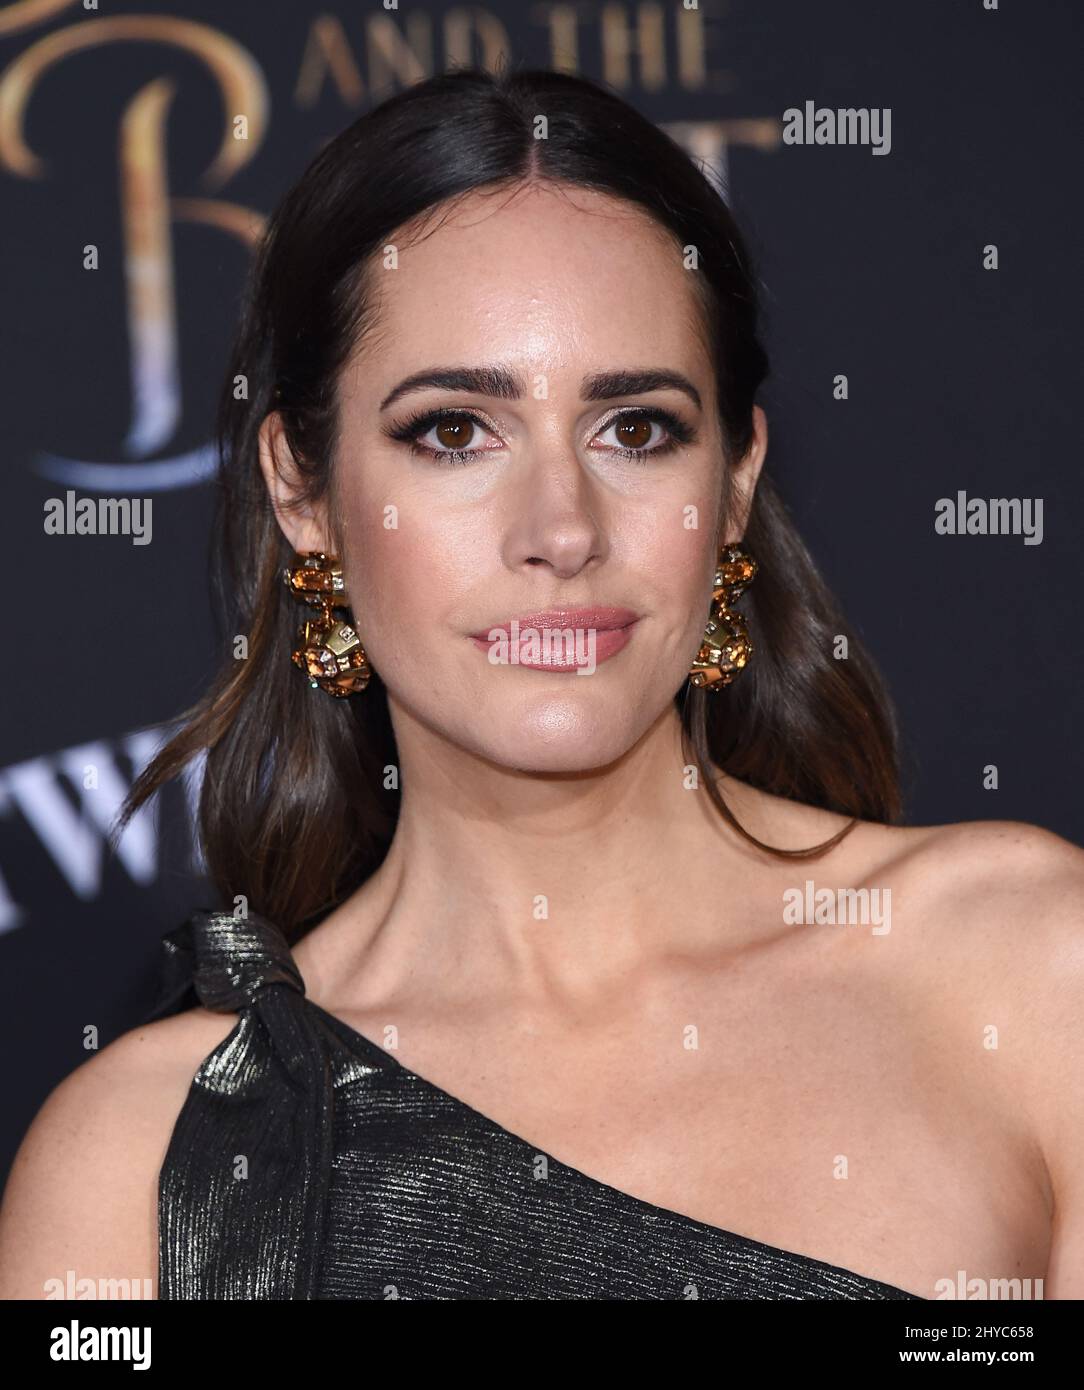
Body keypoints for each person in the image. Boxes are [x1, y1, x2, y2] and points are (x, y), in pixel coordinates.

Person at [1, 65, 1081, 1302]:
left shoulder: (1023, 968)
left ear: (733, 482)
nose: (561, 529)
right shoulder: (141, 1160)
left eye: (636, 429)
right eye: (454, 431)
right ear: (303, 492)